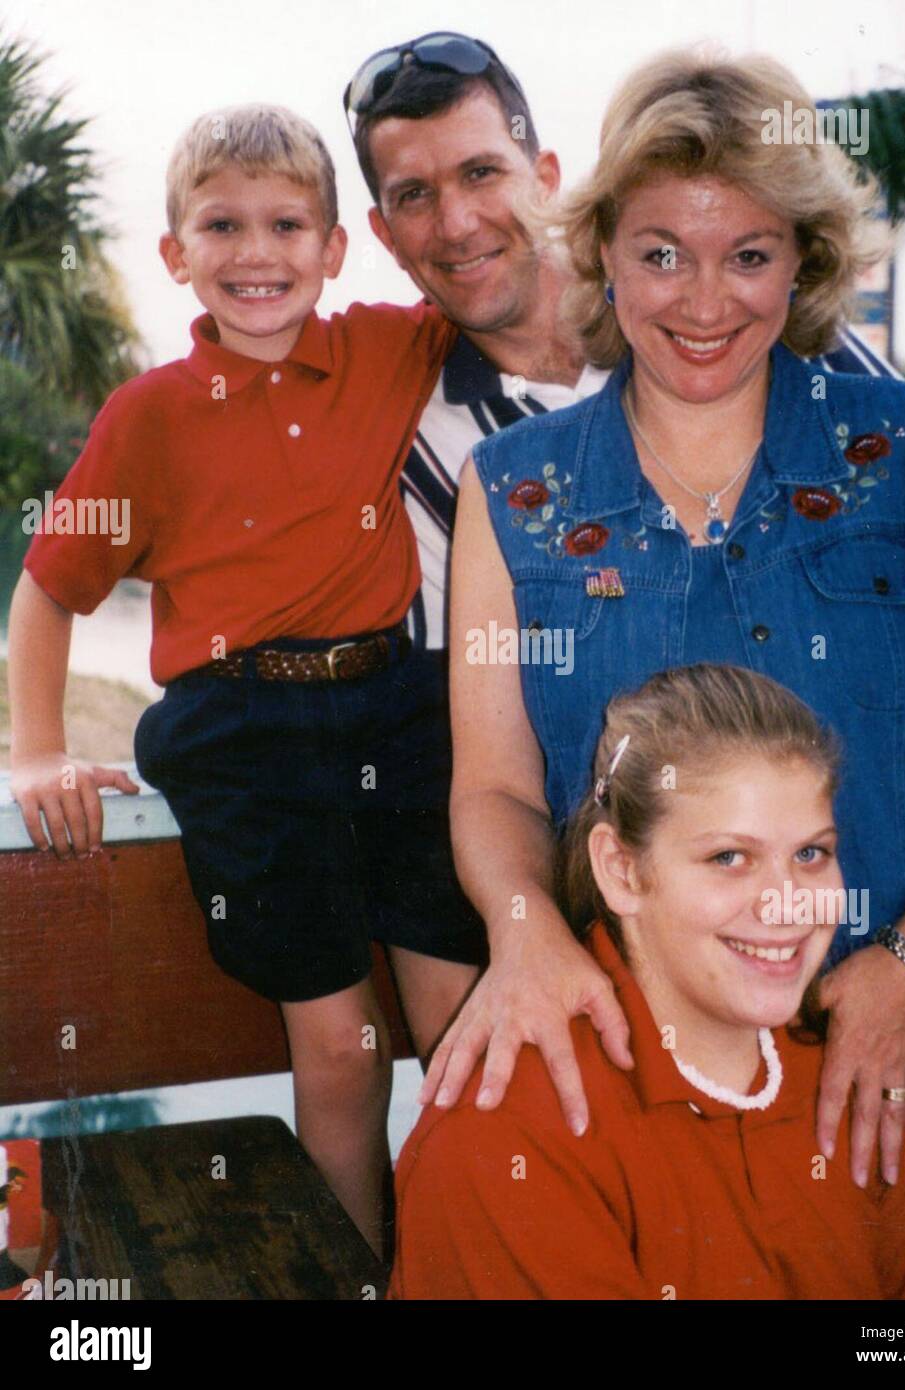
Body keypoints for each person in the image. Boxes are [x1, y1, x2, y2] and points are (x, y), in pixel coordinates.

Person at [346, 30, 905, 1134]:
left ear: (805, 259)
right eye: (663, 253)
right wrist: (526, 929)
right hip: (638, 1061)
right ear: (602, 252)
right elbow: (495, 791)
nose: (705, 302)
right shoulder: (508, 489)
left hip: (895, 1044)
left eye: (750, 255)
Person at [6, 104, 472, 1260]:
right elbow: (50, 590)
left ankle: (470, 1270)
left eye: (285, 224)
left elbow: (527, 290)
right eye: (222, 225)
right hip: (244, 735)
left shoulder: (389, 344)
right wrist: (35, 746)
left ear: (332, 246)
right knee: (340, 1049)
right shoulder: (148, 417)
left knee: (465, 1025)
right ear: (176, 254)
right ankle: (352, 1275)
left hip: (397, 708)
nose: (256, 253)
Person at [389, 664, 905, 1300]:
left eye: (811, 854)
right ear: (620, 870)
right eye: (729, 858)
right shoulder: (507, 1132)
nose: (788, 904)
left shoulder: (847, 1066)